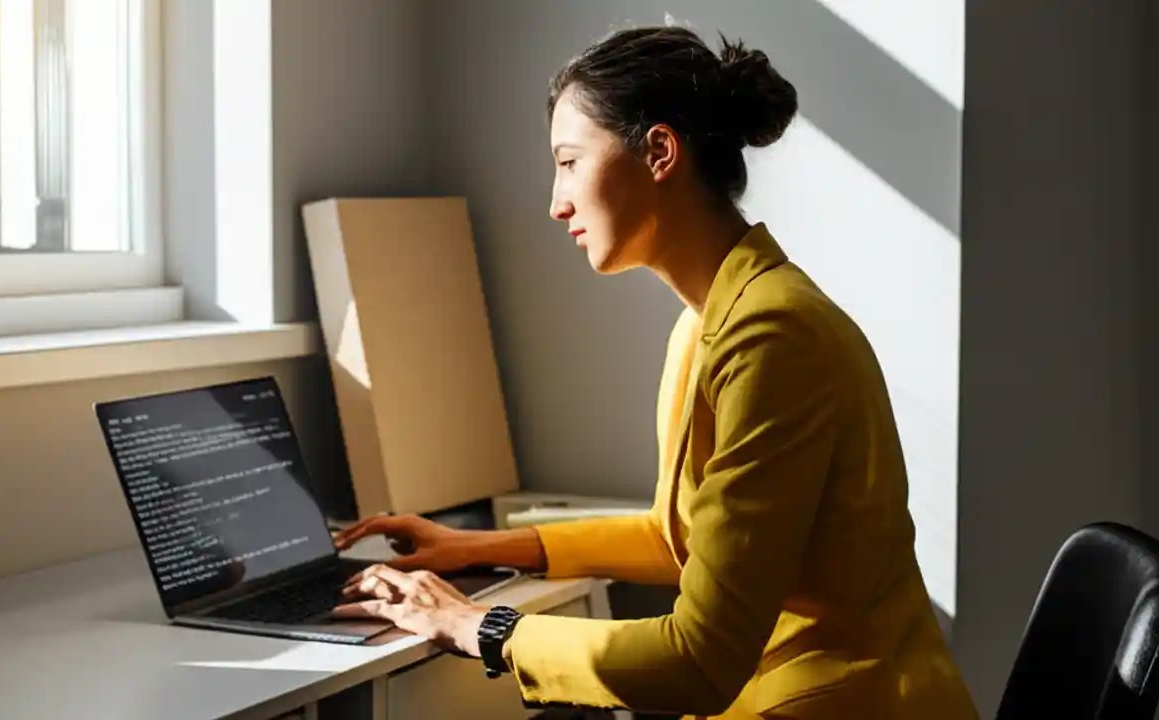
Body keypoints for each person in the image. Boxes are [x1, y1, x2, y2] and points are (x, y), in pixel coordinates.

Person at [329, 25, 978, 720]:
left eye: (570, 162)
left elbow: (699, 661)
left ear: (660, 151)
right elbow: (681, 540)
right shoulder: (707, 322)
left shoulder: (772, 337)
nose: (556, 201)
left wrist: (475, 628)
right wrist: (475, 548)